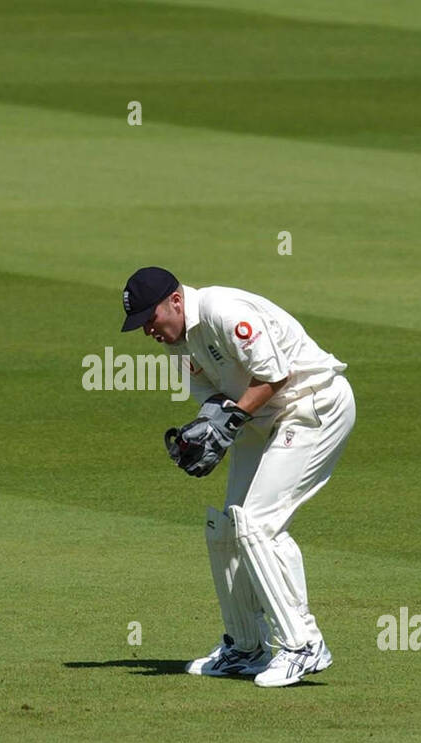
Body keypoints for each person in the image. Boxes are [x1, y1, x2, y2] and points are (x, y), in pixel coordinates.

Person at [121, 267, 355, 687]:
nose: (149, 332)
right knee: (226, 528)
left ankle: (303, 644)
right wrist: (206, 430)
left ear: (175, 301)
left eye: (150, 319)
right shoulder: (178, 343)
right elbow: (216, 400)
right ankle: (245, 647)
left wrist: (226, 424)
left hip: (311, 406)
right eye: (141, 326)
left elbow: (274, 376)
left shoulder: (223, 312)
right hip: (259, 418)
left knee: (259, 524)